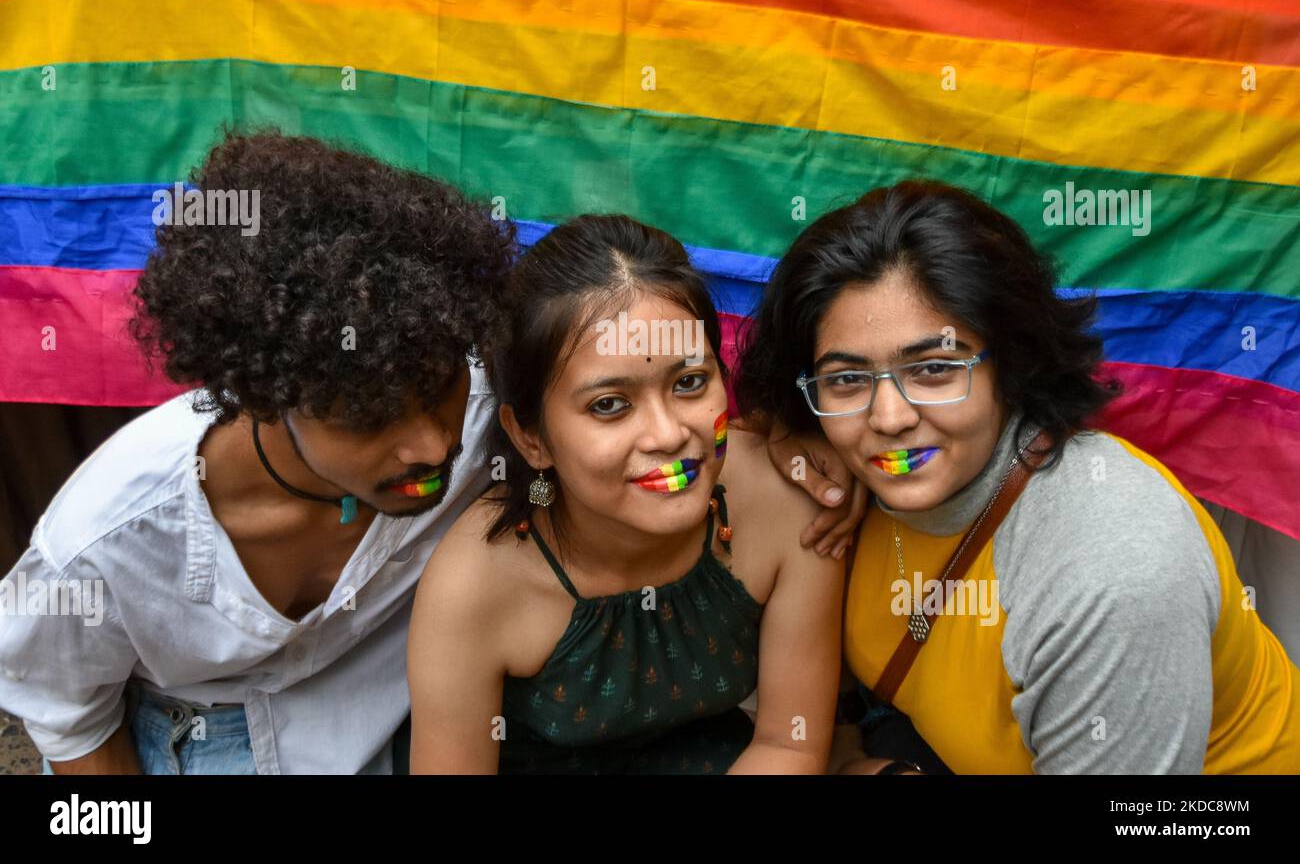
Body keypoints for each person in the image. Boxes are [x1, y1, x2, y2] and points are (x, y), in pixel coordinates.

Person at [736, 180, 1300, 773]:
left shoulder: (1112, 572)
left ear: (1010, 363)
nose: (889, 418)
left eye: (933, 369)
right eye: (847, 379)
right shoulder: (848, 468)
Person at [0, 130, 516, 773]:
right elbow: (66, 717)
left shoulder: (491, 417)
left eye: (441, 388)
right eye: (370, 417)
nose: (435, 443)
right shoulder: (105, 540)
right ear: (264, 395)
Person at [408, 215, 845, 773]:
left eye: (689, 382)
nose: (668, 434)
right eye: (609, 405)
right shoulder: (474, 584)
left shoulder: (791, 504)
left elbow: (789, 743)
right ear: (531, 438)